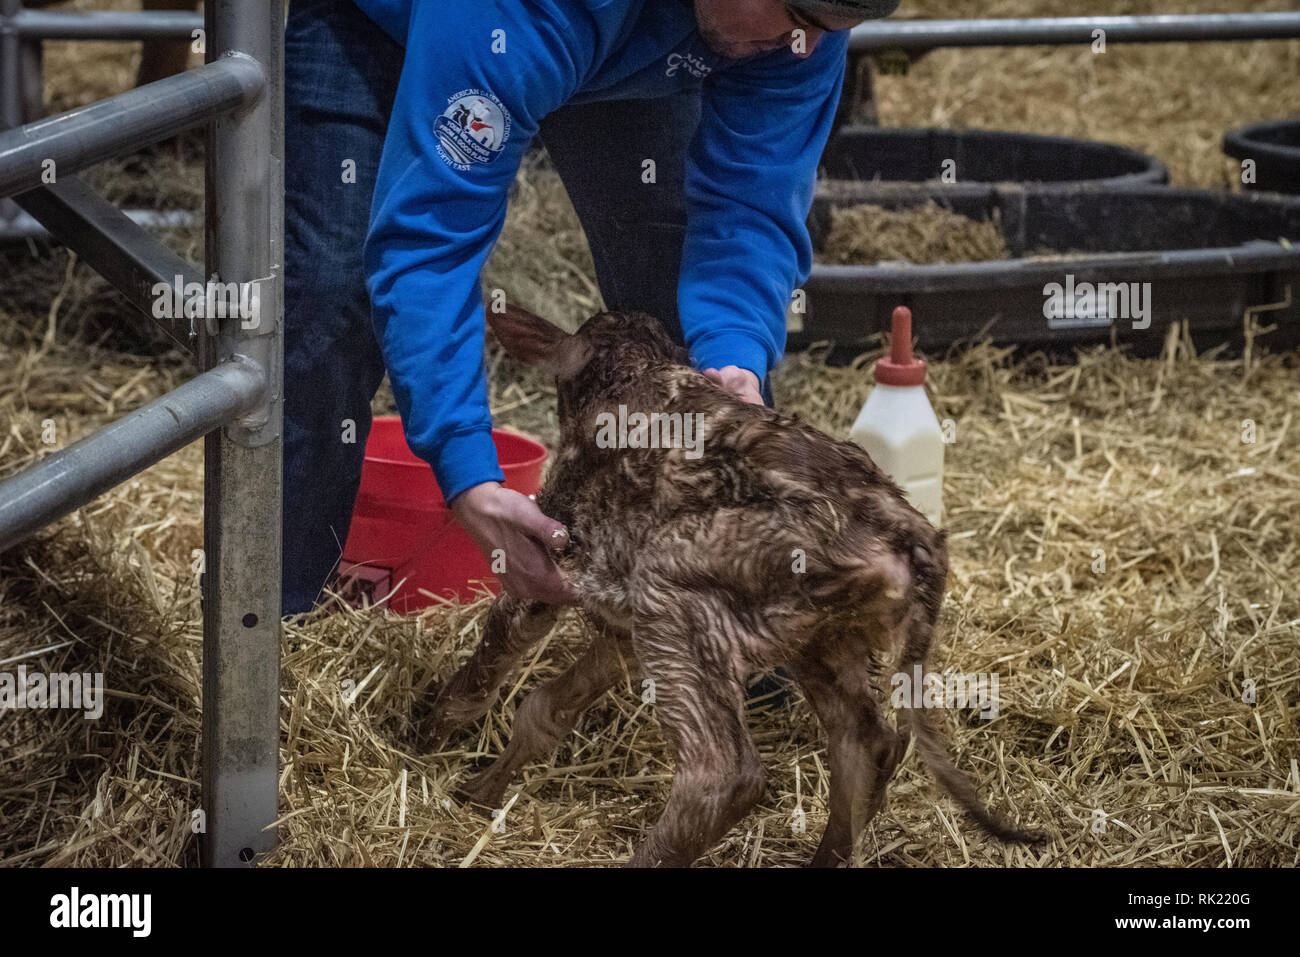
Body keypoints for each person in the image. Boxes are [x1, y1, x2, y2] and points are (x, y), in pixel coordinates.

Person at [281, 0, 898, 615]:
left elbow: (753, 202)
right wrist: (466, 468)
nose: (804, 45)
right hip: (389, 26)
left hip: (630, 54)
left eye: (828, 29)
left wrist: (735, 354)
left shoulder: (803, 26)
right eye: (797, 16)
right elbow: (430, 236)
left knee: (682, 328)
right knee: (333, 298)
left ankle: (723, 629)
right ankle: (275, 617)